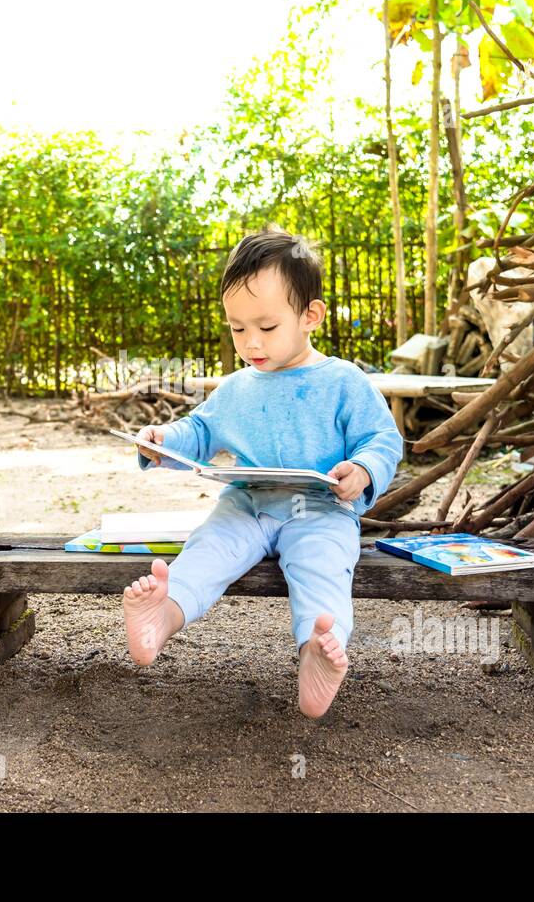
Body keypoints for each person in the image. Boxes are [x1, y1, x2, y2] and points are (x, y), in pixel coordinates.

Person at [123, 224, 404, 717]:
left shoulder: (342, 381)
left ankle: (319, 650)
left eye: (267, 327)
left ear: (310, 316)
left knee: (324, 566)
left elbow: (382, 439)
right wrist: (165, 440)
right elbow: (200, 432)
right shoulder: (238, 387)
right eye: (237, 328)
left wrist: (362, 469)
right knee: (206, 549)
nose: (251, 341)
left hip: (320, 512)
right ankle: (162, 618)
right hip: (246, 506)